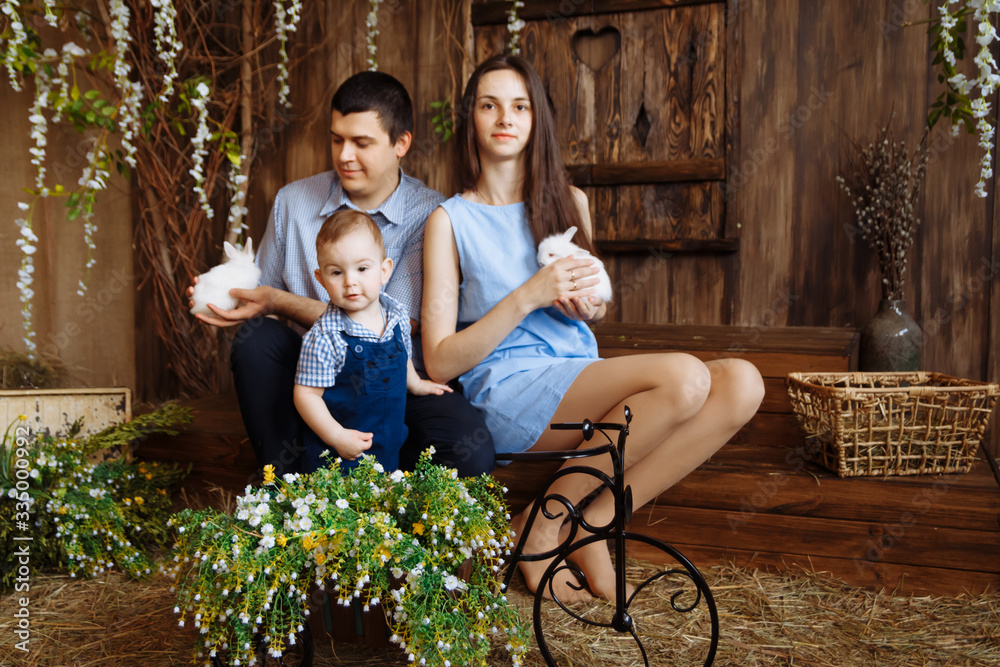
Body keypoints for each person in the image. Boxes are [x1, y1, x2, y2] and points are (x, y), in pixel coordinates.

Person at [420, 54, 765, 603]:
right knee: (685, 379)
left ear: (537, 121)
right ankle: (541, 523)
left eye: (519, 106)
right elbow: (439, 360)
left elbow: (590, 305)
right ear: (471, 119)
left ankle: (586, 521)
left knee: (745, 382)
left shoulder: (569, 202)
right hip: (511, 391)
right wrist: (528, 296)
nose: (504, 117)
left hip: (581, 374)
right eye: (489, 105)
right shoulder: (449, 221)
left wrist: (588, 308)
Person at [190, 71, 496, 479]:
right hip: (314, 374)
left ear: (401, 143)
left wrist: (278, 300)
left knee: (468, 447)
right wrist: (223, 291)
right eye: (337, 139)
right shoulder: (293, 202)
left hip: (394, 378)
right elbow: (258, 291)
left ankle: (388, 504)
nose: (344, 155)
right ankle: (288, 492)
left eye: (361, 142)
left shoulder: (430, 214)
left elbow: (398, 321)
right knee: (255, 340)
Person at [294, 210, 452, 474]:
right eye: (336, 272)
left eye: (362, 268)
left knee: (382, 501)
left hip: (387, 442)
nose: (350, 282)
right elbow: (306, 395)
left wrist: (416, 383)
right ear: (320, 279)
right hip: (341, 453)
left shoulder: (397, 315)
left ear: (384, 271)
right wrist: (336, 436)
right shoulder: (325, 336)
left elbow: (402, 358)